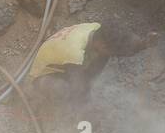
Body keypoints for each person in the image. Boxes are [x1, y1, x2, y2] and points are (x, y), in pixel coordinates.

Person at [27, 20, 156, 100]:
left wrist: (143, 44)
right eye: (111, 50)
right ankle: (42, 94)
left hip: (62, 60)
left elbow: (121, 43)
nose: (114, 54)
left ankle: (84, 85)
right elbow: (78, 85)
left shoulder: (96, 29)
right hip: (43, 74)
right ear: (102, 44)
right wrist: (86, 111)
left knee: (103, 57)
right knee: (65, 90)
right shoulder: (74, 53)